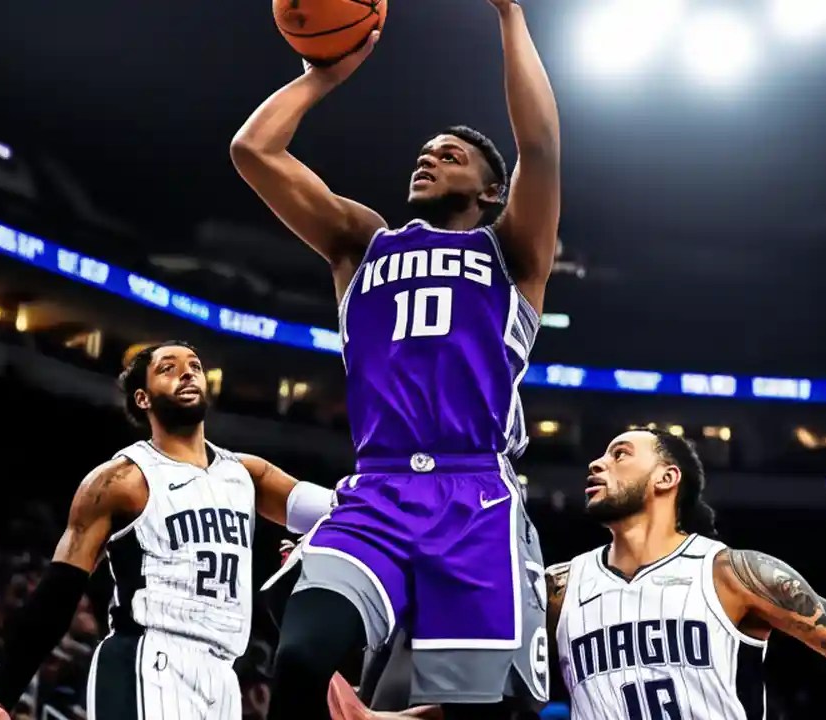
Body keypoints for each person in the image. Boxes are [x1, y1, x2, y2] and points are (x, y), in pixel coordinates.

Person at [230, 0, 561, 716]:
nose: (429, 158)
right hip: (376, 491)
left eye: (451, 156)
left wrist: (510, 15)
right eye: (425, 153)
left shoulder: (511, 252)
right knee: (301, 657)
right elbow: (253, 151)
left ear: (491, 191)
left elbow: (540, 147)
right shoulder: (362, 243)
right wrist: (321, 76)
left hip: (475, 495)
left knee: (474, 711)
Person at [334, 428, 826, 720]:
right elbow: (486, 703)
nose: (597, 464)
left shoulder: (735, 573)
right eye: (598, 455)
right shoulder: (558, 588)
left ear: (667, 477)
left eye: (619, 454)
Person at [0, 342, 335, 720]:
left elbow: (341, 511)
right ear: (142, 398)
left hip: (223, 674)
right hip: (150, 660)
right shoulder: (121, 479)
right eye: (168, 368)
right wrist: (2, 698)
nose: (187, 373)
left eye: (194, 366)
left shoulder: (246, 473)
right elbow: (59, 591)